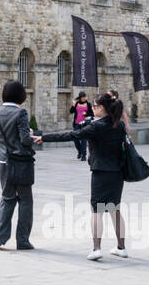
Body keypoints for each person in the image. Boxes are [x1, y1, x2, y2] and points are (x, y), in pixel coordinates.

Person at [34, 93, 128, 261]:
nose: (92, 109)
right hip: (117, 172)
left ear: (101, 108)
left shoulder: (96, 127)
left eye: (94, 106)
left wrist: (44, 137)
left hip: (100, 171)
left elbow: (70, 135)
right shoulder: (119, 125)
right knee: (115, 209)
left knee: (97, 210)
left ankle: (97, 248)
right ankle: (121, 247)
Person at [0, 80, 35, 250]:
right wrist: (31, 133)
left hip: (3, 159)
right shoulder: (20, 113)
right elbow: (24, 139)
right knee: (25, 199)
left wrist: (0, 150)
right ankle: (22, 240)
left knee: (7, 197)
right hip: (19, 161)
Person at [68, 91, 92, 160]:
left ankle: (83, 155)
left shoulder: (88, 104)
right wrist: (73, 104)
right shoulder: (76, 104)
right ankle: (79, 151)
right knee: (75, 138)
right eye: (83, 97)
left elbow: (92, 114)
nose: (84, 98)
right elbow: (71, 111)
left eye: (85, 97)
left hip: (85, 124)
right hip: (76, 124)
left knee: (84, 139)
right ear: (80, 98)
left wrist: (86, 113)